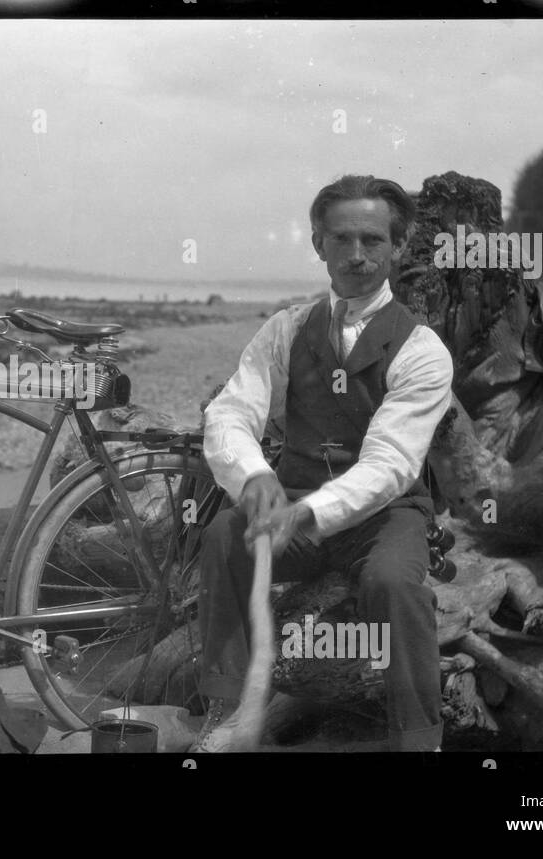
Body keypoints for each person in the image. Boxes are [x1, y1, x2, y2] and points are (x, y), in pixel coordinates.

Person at [193, 175, 453, 752]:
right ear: (318, 245)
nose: (356, 256)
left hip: (386, 516)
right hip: (293, 505)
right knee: (224, 538)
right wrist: (255, 476)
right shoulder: (285, 331)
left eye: (372, 240)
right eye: (341, 239)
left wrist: (309, 513)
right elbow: (233, 411)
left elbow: (390, 463)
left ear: (398, 247)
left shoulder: (420, 349)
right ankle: (230, 715)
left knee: (393, 583)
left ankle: (419, 738)